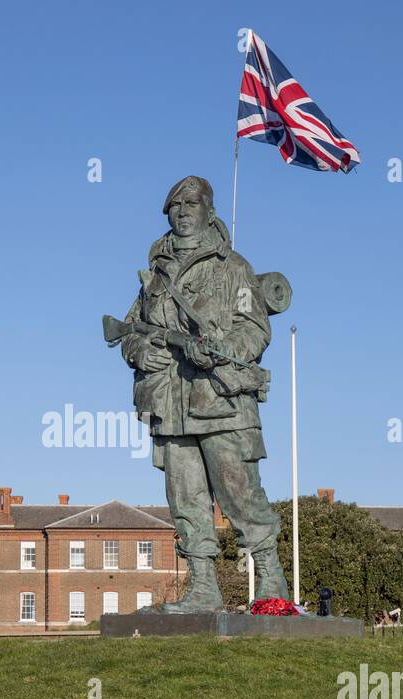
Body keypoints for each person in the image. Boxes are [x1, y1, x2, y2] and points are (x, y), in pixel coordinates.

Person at [117, 175, 289, 612]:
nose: (182, 212)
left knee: (238, 491)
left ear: (209, 211)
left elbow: (255, 328)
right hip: (169, 404)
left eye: (191, 204)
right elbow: (130, 329)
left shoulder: (233, 267)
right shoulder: (155, 275)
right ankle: (203, 587)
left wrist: (222, 351)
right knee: (186, 498)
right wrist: (141, 352)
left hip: (220, 403)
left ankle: (270, 580)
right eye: (175, 207)